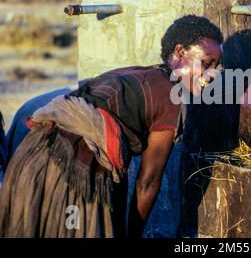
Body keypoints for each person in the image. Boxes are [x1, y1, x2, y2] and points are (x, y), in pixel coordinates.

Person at [0, 15, 223, 237]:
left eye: (217, 66)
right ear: (180, 53)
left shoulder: (137, 74)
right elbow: (148, 182)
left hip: (30, 160)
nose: (212, 73)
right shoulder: (172, 97)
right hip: (69, 174)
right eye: (205, 63)